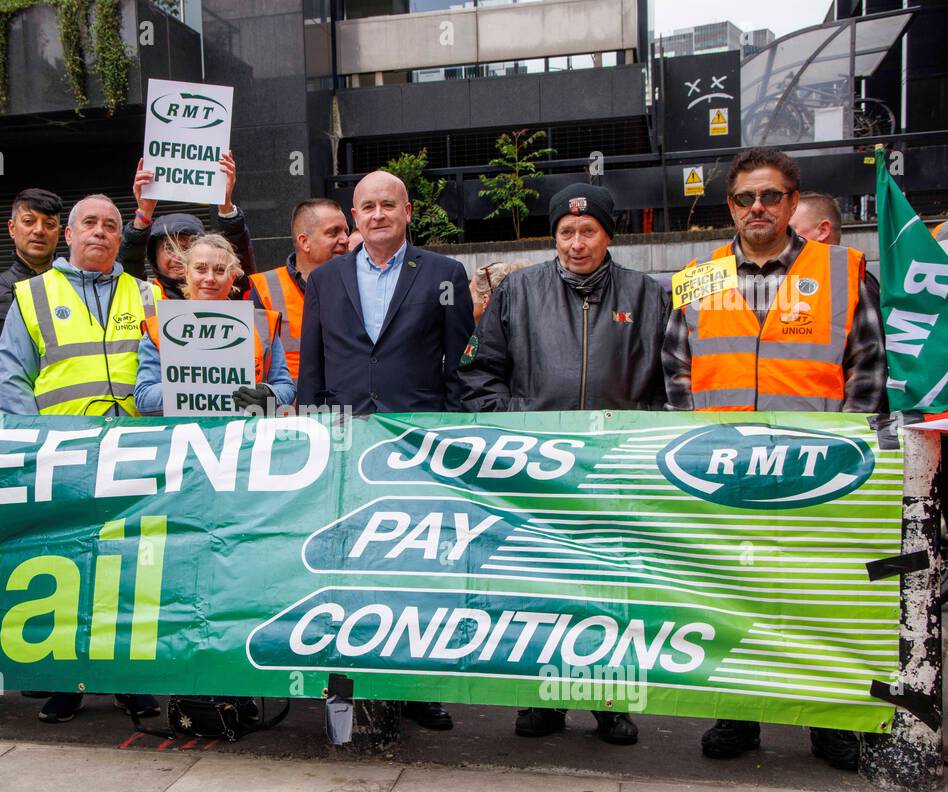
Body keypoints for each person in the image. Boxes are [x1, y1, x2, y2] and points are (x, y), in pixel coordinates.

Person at [663, 148, 886, 771]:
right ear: (729, 206)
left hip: (818, 475)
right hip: (723, 475)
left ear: (792, 201)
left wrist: (849, 455)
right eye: (743, 198)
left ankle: (829, 716)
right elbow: (676, 369)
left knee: (818, 596)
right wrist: (695, 448)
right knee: (732, 594)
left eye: (770, 196)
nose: (756, 207)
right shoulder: (697, 275)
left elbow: (867, 369)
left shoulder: (843, 270)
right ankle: (738, 713)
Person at [459, 183, 670, 746]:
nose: (577, 244)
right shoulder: (518, 293)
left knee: (610, 590)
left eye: (589, 232)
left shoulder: (649, 295)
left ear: (608, 235)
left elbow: (671, 384)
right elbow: (478, 376)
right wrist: (521, 420)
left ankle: (610, 702)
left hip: (615, 474)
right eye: (566, 233)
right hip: (537, 471)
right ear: (553, 236)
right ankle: (538, 701)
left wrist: (641, 437)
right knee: (538, 585)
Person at [299, 169, 473, 731]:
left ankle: (419, 688)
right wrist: (314, 434)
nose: (377, 215)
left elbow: (460, 366)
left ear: (407, 211)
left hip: (417, 447)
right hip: (345, 448)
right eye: (366, 207)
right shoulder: (325, 280)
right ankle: (343, 687)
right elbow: (313, 369)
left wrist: (447, 437)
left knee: (419, 569)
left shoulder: (444, 275)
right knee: (347, 570)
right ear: (354, 217)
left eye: (387, 205)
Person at [0, 194, 161, 724]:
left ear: (120, 237)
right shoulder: (33, 294)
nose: (101, 232)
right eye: (89, 223)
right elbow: (12, 379)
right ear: (69, 234)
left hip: (135, 456)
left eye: (112, 225)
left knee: (132, 574)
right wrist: (30, 449)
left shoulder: (149, 294)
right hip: (63, 457)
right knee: (71, 573)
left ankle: (130, 682)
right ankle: (69, 682)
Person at [135, 233, 295, 416]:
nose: (210, 278)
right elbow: (144, 397)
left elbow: (286, 387)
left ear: (233, 277)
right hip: (185, 437)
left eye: (220, 270)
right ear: (186, 272)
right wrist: (200, 389)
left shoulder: (262, 324)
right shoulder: (158, 328)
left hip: (246, 438)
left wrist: (269, 395)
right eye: (201, 269)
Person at [121, 153, 256, 299]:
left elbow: (240, 264)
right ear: (154, 255)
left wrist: (226, 206)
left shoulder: (227, 292)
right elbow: (130, 265)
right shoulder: (146, 297)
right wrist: (144, 213)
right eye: (169, 248)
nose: (178, 256)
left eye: (186, 248)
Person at [0, 188, 63, 411]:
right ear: (12, 228)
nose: (39, 230)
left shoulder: (73, 287)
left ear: (61, 232)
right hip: (6, 419)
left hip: (63, 418)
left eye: (49, 224)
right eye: (29, 221)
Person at [247, 199, 350, 380]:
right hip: (288, 405)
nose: (345, 240)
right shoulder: (265, 289)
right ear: (304, 242)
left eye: (346, 232)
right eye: (333, 232)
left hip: (348, 404)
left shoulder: (358, 285)